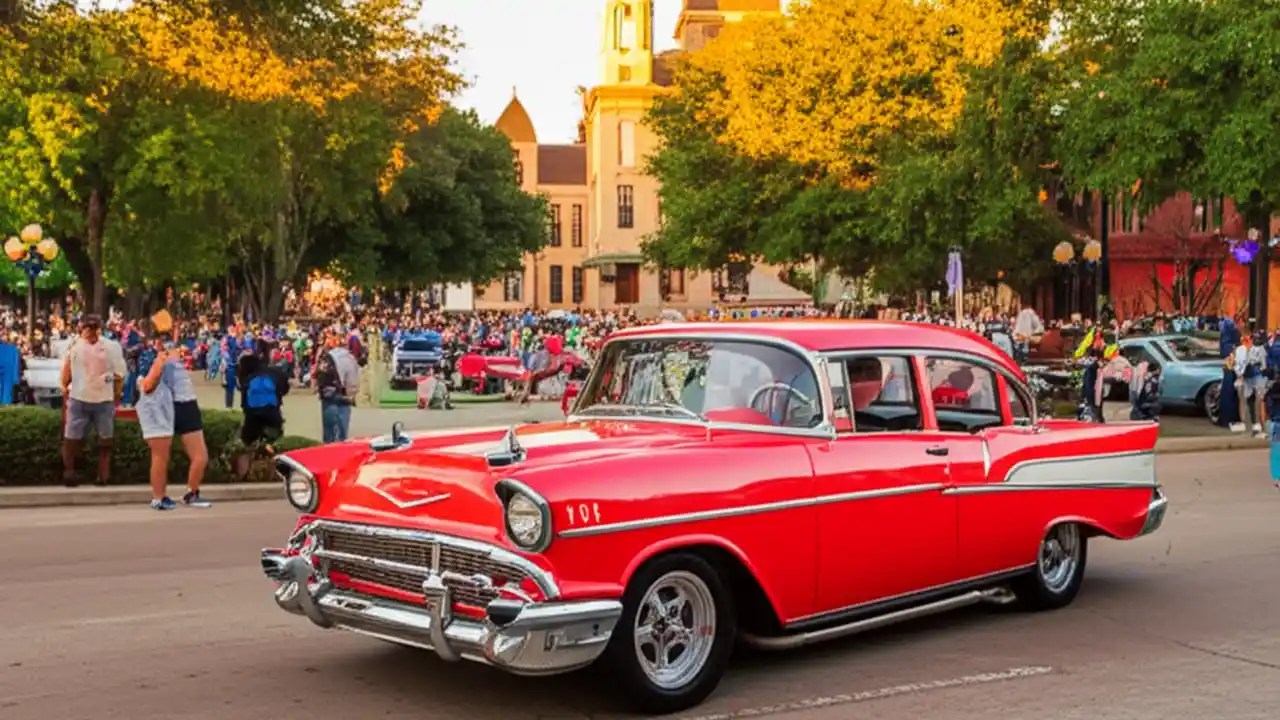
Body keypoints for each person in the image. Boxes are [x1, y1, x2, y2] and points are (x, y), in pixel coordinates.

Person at [60, 314, 126, 487]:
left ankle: (103, 474)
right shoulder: (74, 346)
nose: (89, 331)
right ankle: (69, 472)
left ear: (99, 328)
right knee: (72, 438)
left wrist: (113, 390)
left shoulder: (111, 347)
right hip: (78, 397)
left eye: (93, 327)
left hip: (103, 399)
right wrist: (64, 388)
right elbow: (67, 370)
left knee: (105, 440)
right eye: (86, 327)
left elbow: (119, 375)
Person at [239, 351, 289, 449]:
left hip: (253, 415)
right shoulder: (275, 372)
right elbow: (285, 388)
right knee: (275, 442)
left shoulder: (247, 376)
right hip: (272, 412)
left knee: (248, 444)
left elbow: (244, 400)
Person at [1233, 330, 1268, 436]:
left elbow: (1263, 365)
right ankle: (1245, 424)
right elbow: (1235, 364)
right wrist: (1239, 375)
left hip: (1256, 376)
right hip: (1244, 377)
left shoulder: (1259, 349)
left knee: (1258, 400)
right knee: (1243, 399)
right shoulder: (1238, 350)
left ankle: (1258, 425)